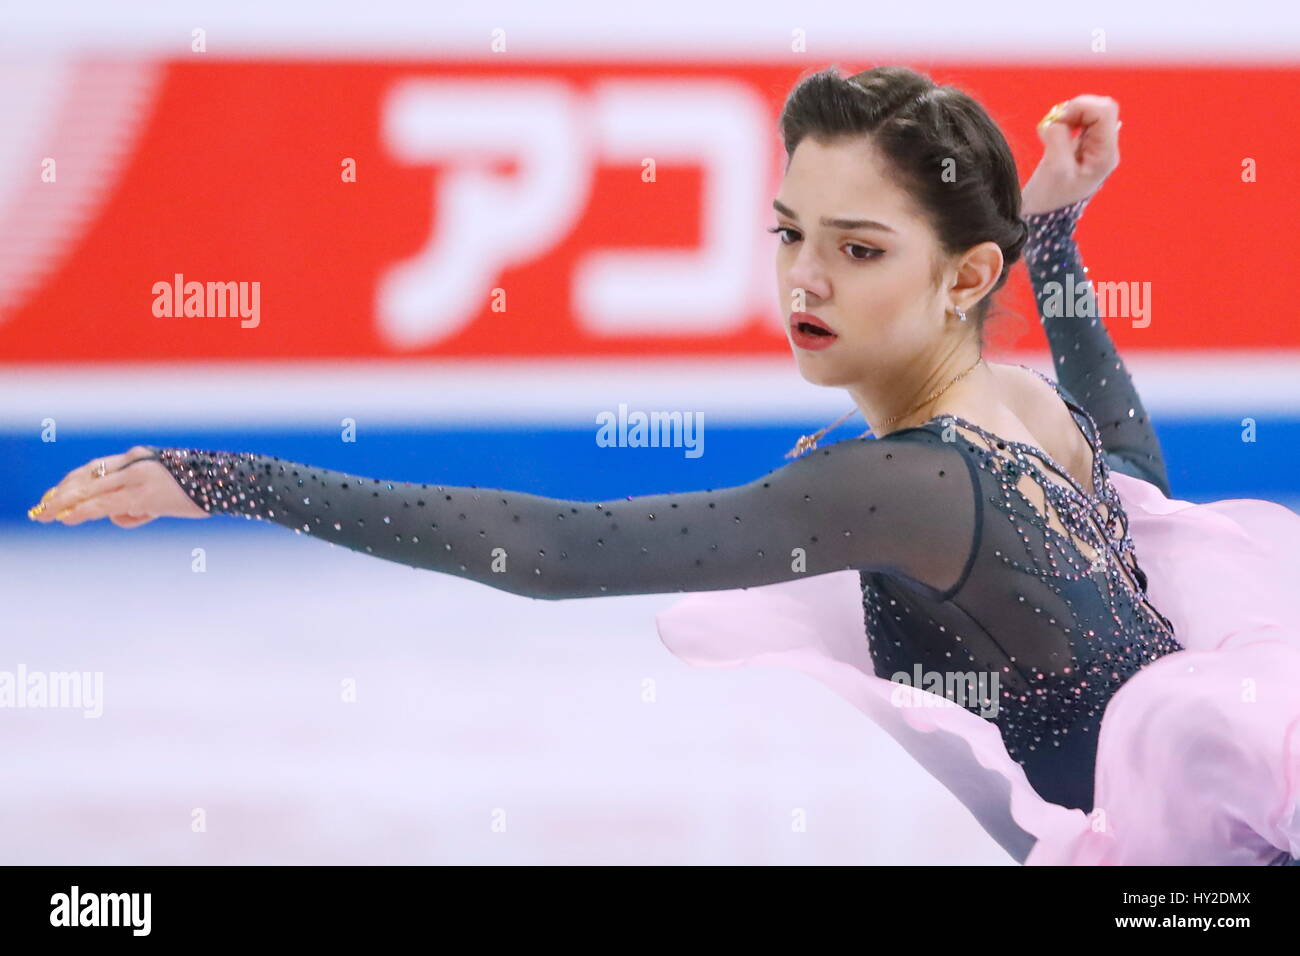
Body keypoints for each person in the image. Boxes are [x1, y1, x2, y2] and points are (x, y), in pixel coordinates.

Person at [28, 66, 1300, 866]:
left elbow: (558, 550)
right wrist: (1062, 242)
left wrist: (231, 480)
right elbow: (1140, 481)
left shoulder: (906, 482)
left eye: (858, 250)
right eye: (790, 232)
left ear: (967, 275)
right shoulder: (1023, 407)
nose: (803, 277)